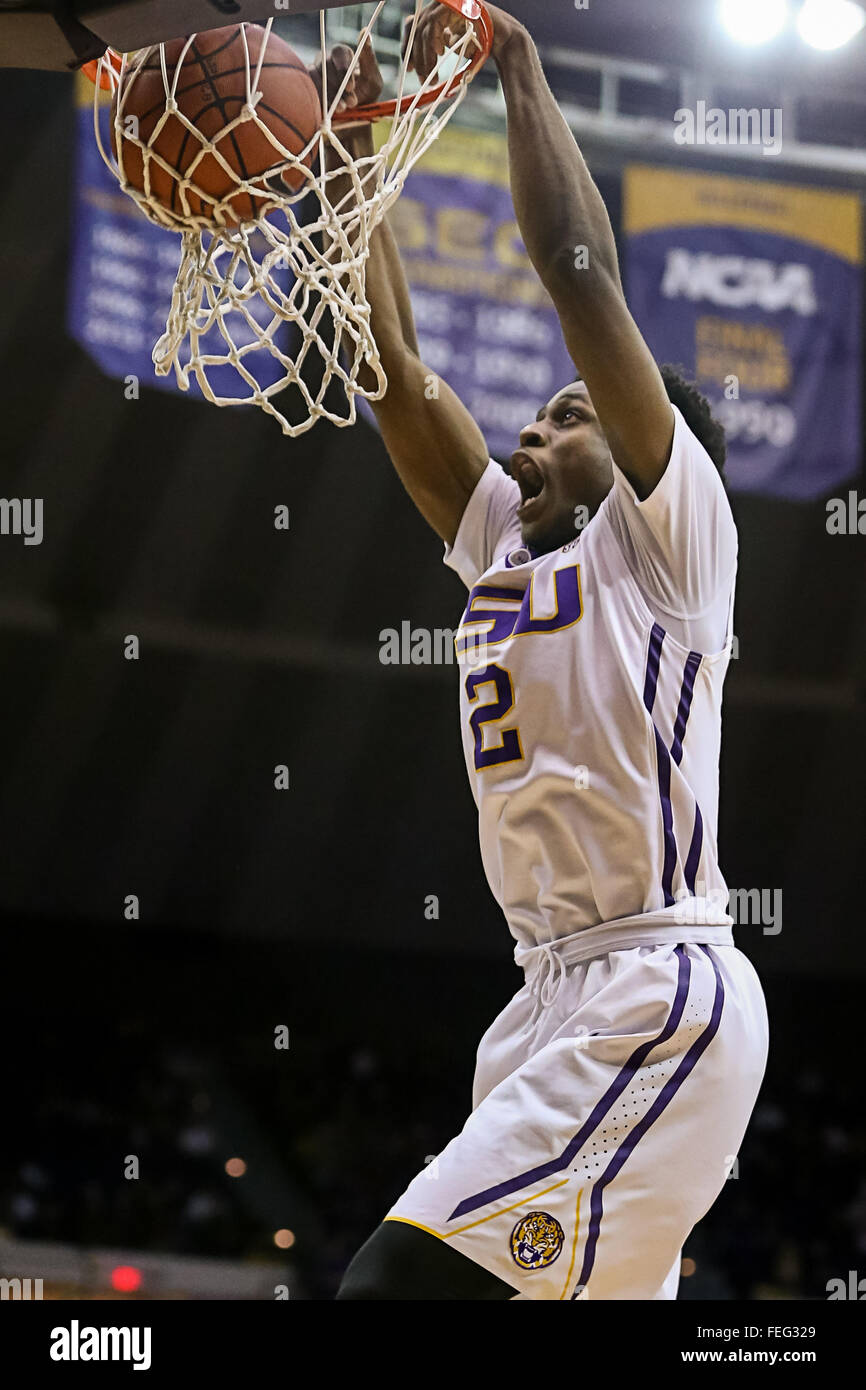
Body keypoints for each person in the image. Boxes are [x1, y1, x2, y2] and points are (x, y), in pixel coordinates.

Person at [330, 3, 769, 1300]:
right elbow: (398, 375)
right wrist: (343, 166)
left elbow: (580, 276)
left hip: (655, 985)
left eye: (569, 415)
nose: (533, 427)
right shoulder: (507, 554)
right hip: (543, 1006)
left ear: (650, 458)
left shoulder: (672, 548)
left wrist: (515, 69)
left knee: (392, 1290)